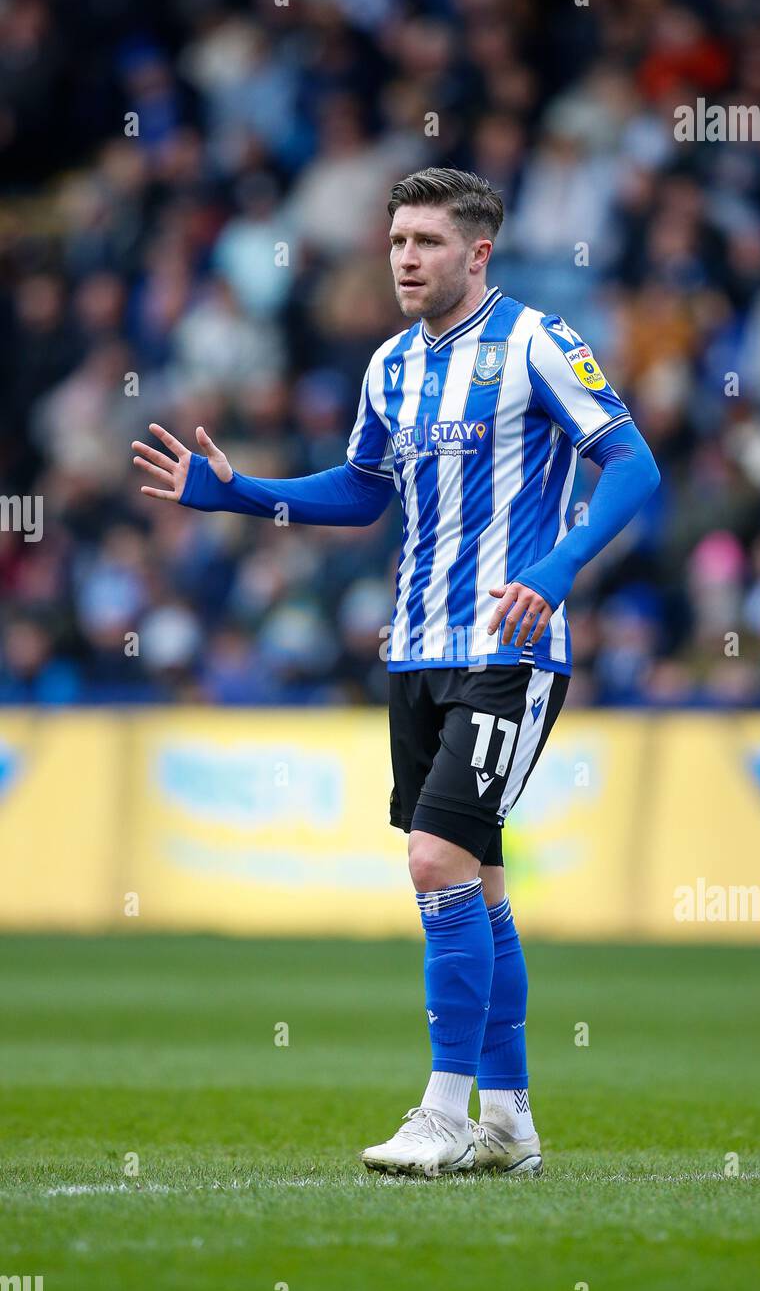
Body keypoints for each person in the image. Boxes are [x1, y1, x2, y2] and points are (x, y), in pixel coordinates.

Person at [132, 167, 660, 1177]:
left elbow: (632, 462)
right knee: (474, 882)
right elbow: (363, 492)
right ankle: (508, 1121)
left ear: (477, 253)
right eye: (395, 242)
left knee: (432, 862)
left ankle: (444, 1110)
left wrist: (550, 573)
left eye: (424, 241)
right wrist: (236, 494)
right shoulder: (388, 367)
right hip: (413, 651)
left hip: (508, 648)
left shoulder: (537, 343)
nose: (404, 259)